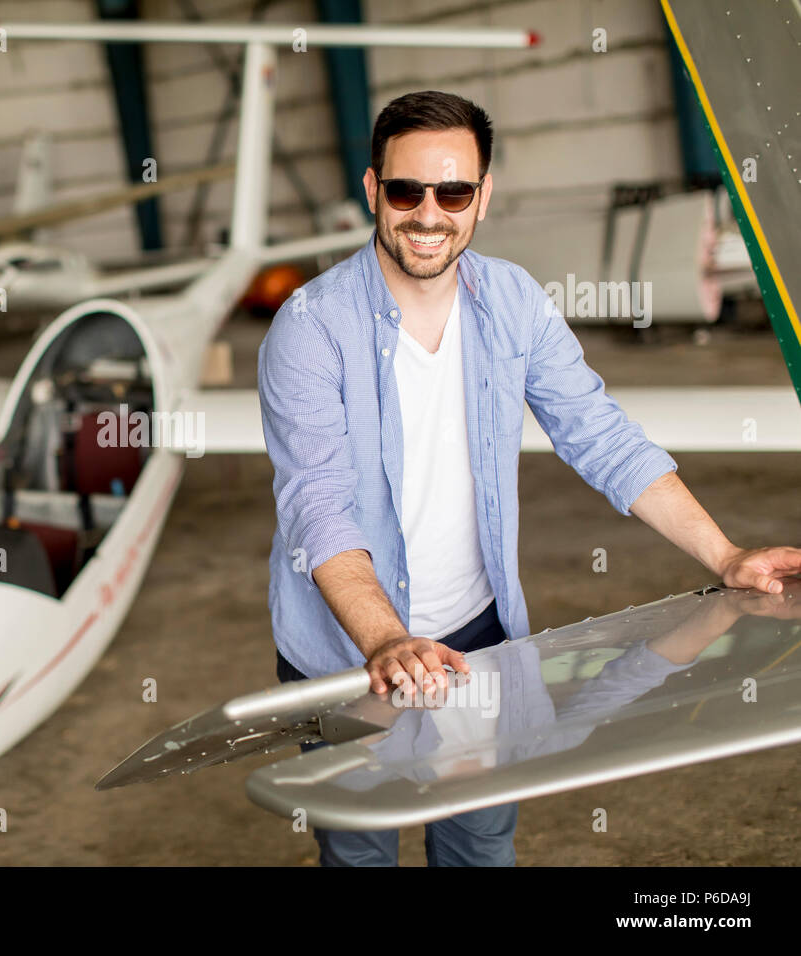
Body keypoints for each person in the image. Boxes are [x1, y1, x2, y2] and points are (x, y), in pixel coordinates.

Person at [256, 89, 801, 867]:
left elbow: (601, 435)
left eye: (454, 192)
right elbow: (318, 503)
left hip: (482, 641)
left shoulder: (512, 300)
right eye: (407, 190)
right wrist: (386, 639)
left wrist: (726, 558)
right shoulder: (309, 329)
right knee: (362, 850)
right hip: (349, 655)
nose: (429, 214)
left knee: (479, 841)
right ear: (373, 190)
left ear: (483, 199)